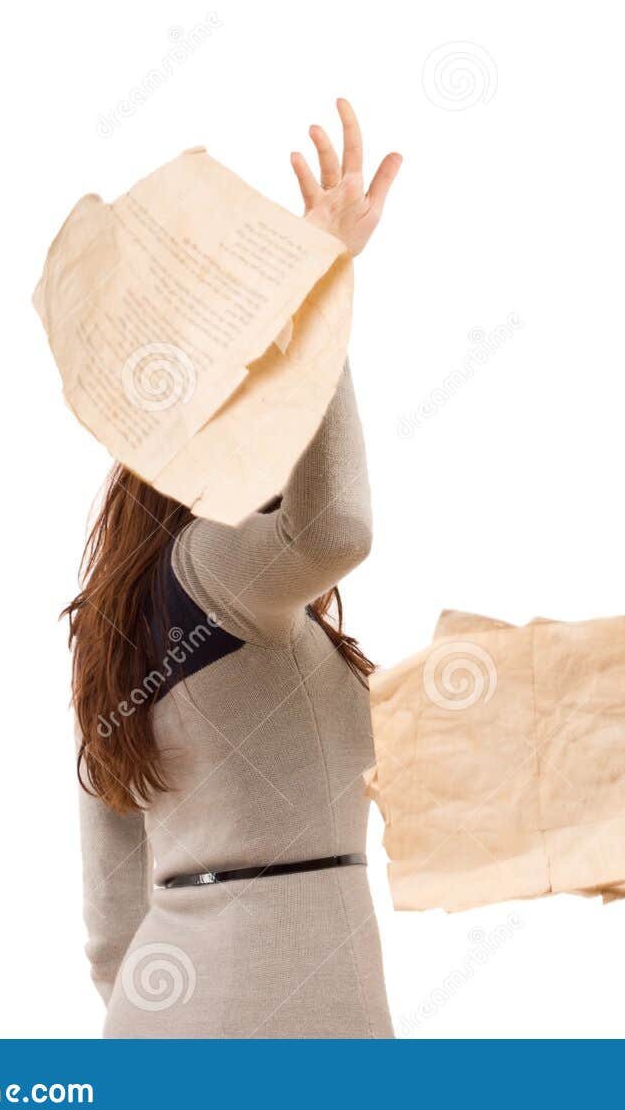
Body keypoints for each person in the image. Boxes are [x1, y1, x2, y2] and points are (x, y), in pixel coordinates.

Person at [62, 98, 403, 1036]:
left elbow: (110, 927)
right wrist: (316, 290)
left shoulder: (123, 614)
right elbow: (334, 528)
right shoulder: (214, 568)